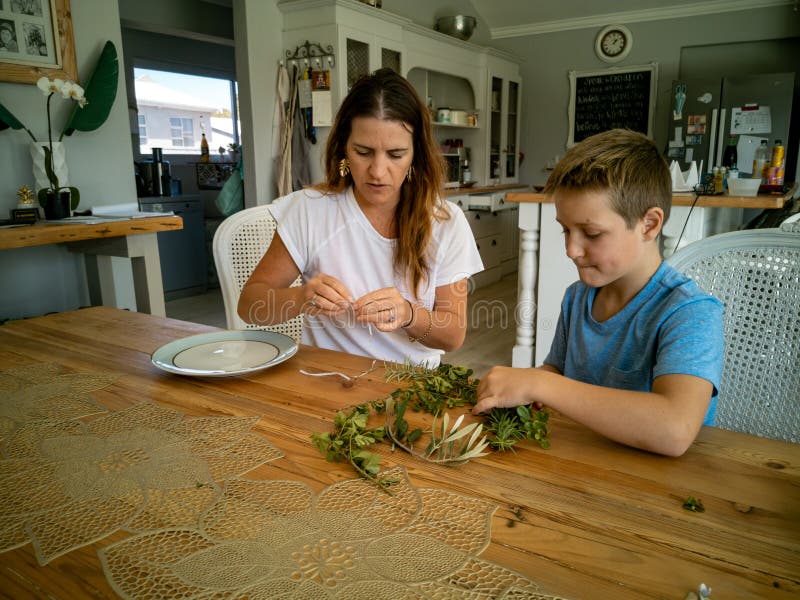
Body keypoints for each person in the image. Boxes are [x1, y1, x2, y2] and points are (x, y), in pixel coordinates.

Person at [474, 129, 723, 457]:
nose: (571, 249)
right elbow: (557, 373)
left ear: (649, 225)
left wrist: (540, 384)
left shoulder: (690, 313)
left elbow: (675, 430)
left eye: (591, 233)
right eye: (565, 230)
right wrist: (524, 383)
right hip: (583, 465)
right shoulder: (577, 297)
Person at [238, 68, 483, 366]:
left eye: (395, 155)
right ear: (344, 148)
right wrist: (301, 297)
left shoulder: (446, 222)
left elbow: (453, 336)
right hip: (326, 379)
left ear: (415, 155)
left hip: (411, 385)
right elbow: (249, 305)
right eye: (364, 152)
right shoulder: (308, 210)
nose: (378, 172)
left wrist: (408, 314)